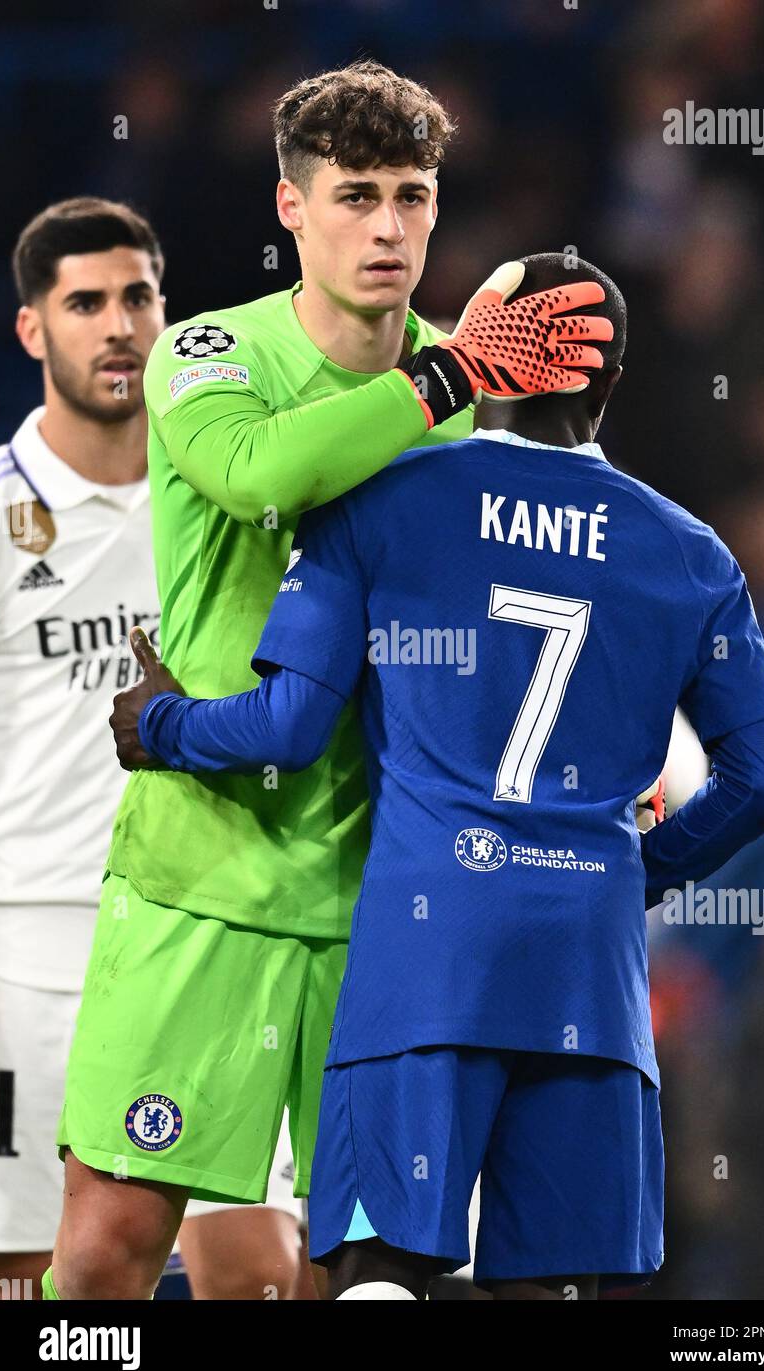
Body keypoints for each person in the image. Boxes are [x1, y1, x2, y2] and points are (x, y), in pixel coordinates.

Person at [112, 253, 764, 1300]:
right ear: (606, 382)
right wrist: (633, 873)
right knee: (552, 1288)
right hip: (590, 977)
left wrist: (161, 720)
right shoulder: (690, 552)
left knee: (379, 1275)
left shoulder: (383, 498)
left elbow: (290, 727)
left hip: (422, 962)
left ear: (479, 356)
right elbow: (762, 780)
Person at [44, 62, 610, 1302]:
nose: (390, 227)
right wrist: (454, 378)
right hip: (206, 876)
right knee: (104, 1251)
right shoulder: (206, 358)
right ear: (292, 207)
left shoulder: (465, 396)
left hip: (385, 905)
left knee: (343, 1274)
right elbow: (264, 475)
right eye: (356, 196)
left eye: (413, 196)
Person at [0, 197, 304, 1303]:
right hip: (28, 945)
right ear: (33, 329)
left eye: (137, 297)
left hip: (199, 927)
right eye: (84, 303)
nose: (117, 325)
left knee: (262, 1271)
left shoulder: (231, 499)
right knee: (37, 1281)